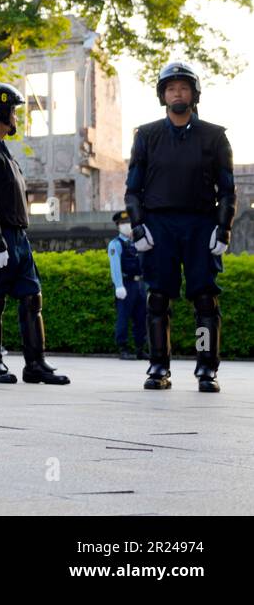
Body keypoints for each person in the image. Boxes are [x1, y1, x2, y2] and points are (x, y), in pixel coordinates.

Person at [125, 61, 234, 393]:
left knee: (205, 300)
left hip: (201, 224)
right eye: (171, 88)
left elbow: (227, 189)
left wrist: (223, 227)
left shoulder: (214, 136)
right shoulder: (146, 135)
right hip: (160, 224)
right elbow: (133, 189)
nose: (177, 93)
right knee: (157, 298)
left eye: (184, 87)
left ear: (194, 94)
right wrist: (138, 225)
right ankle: (159, 365)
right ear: (163, 95)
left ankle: (206, 369)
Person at [0, 82, 68, 385]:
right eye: (12, 110)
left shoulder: (1, 148)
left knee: (31, 297)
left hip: (17, 235)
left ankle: (35, 363)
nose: (16, 116)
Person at [107, 209, 148, 360]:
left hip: (140, 284)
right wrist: (118, 285)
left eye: (129, 223)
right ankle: (123, 348)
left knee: (141, 317)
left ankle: (140, 348)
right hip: (126, 284)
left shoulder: (138, 242)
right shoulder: (115, 244)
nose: (127, 226)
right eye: (123, 224)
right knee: (123, 317)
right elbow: (115, 265)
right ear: (118, 226)